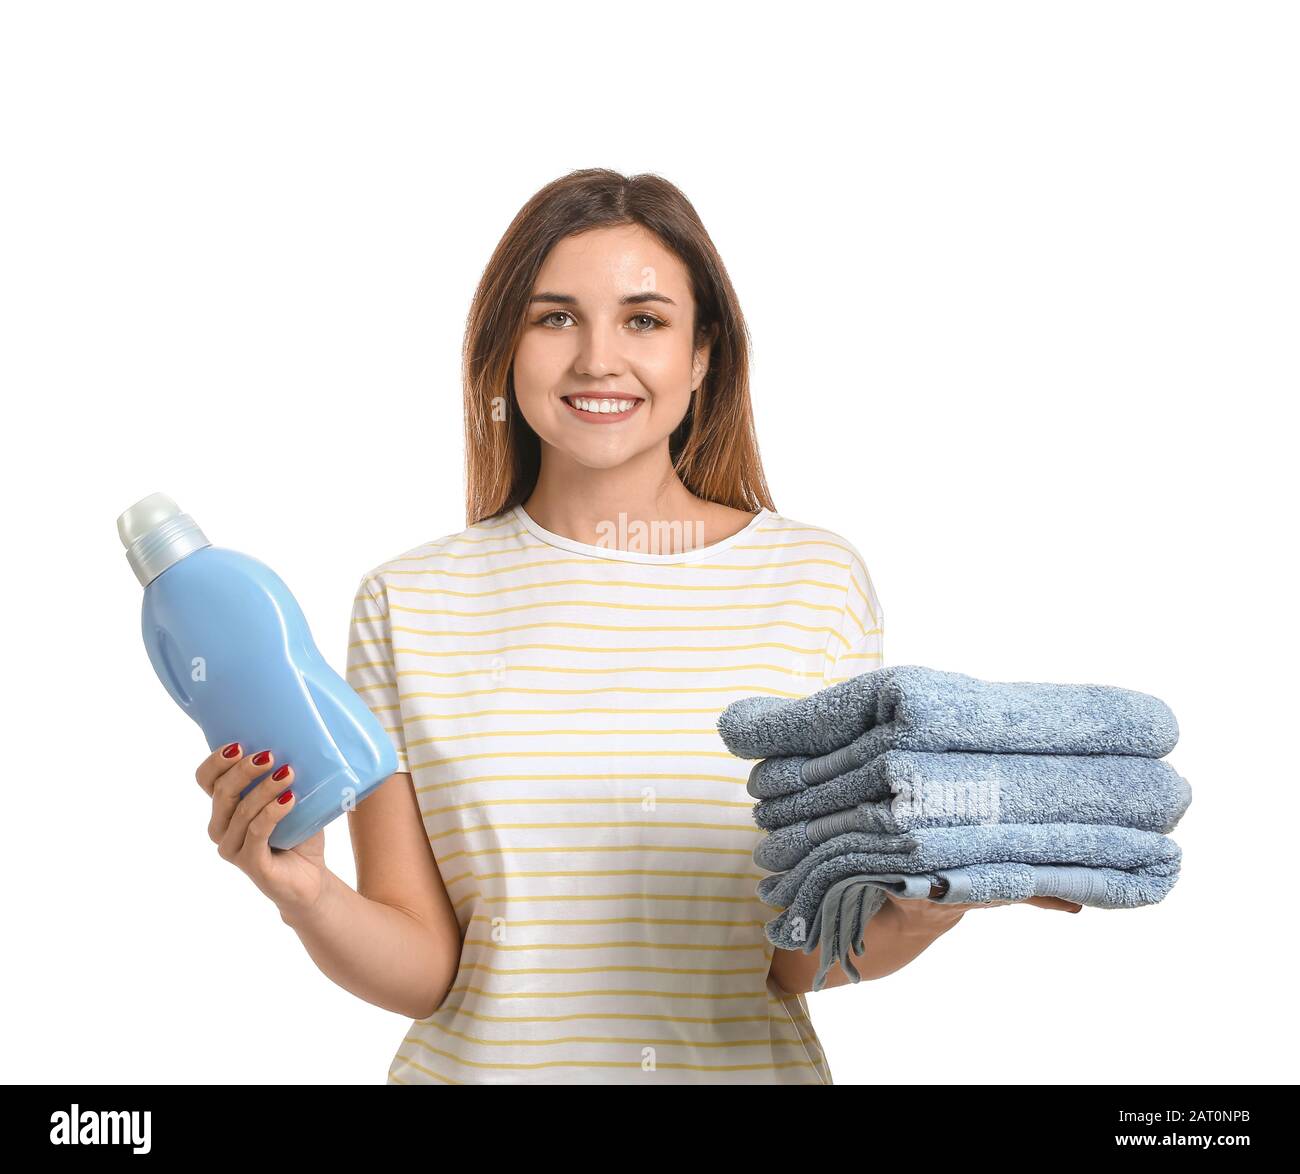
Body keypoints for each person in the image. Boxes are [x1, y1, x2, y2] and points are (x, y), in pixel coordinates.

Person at [193, 168, 1080, 1086]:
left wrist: (930, 905)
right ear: (505, 351)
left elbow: (791, 958)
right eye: (555, 318)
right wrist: (301, 890)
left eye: (644, 320)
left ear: (702, 357)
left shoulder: (813, 582)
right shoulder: (409, 600)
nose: (596, 359)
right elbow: (426, 970)